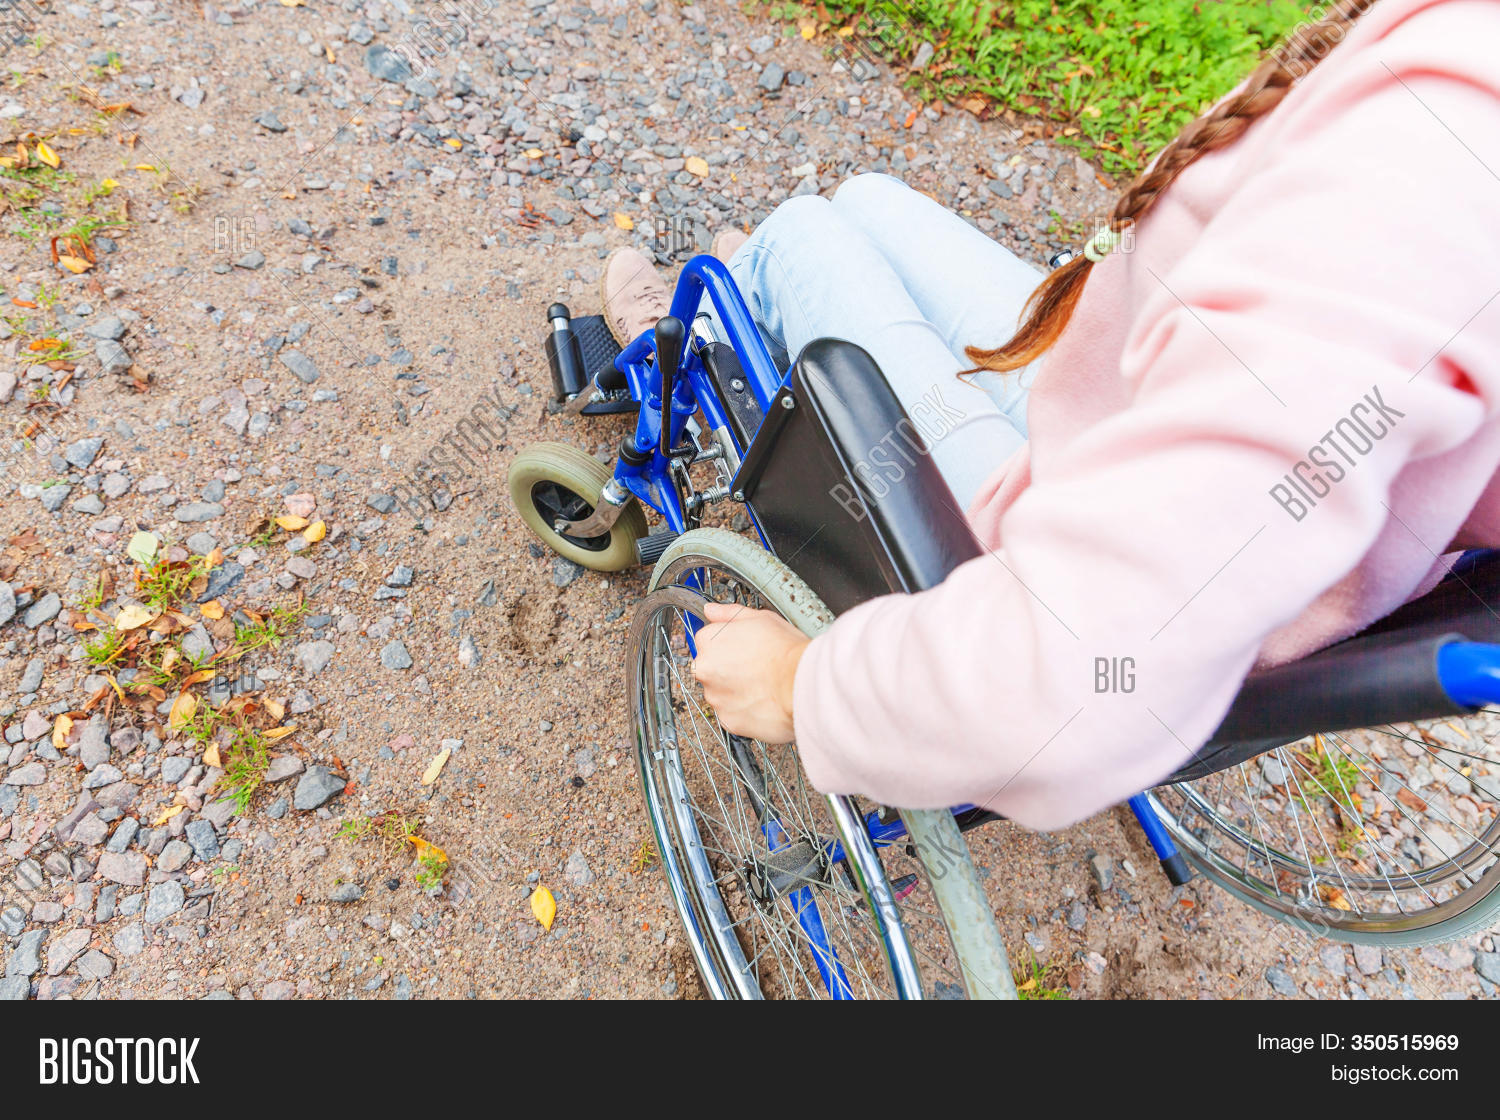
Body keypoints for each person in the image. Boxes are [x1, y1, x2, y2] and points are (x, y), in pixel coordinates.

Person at [600, 0, 1500, 829]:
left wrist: (806, 687)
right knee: (864, 202)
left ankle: (722, 314)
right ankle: (764, 286)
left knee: (801, 233)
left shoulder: (1428, 164)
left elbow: (1089, 669)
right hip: (1131, 401)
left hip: (1049, 537)